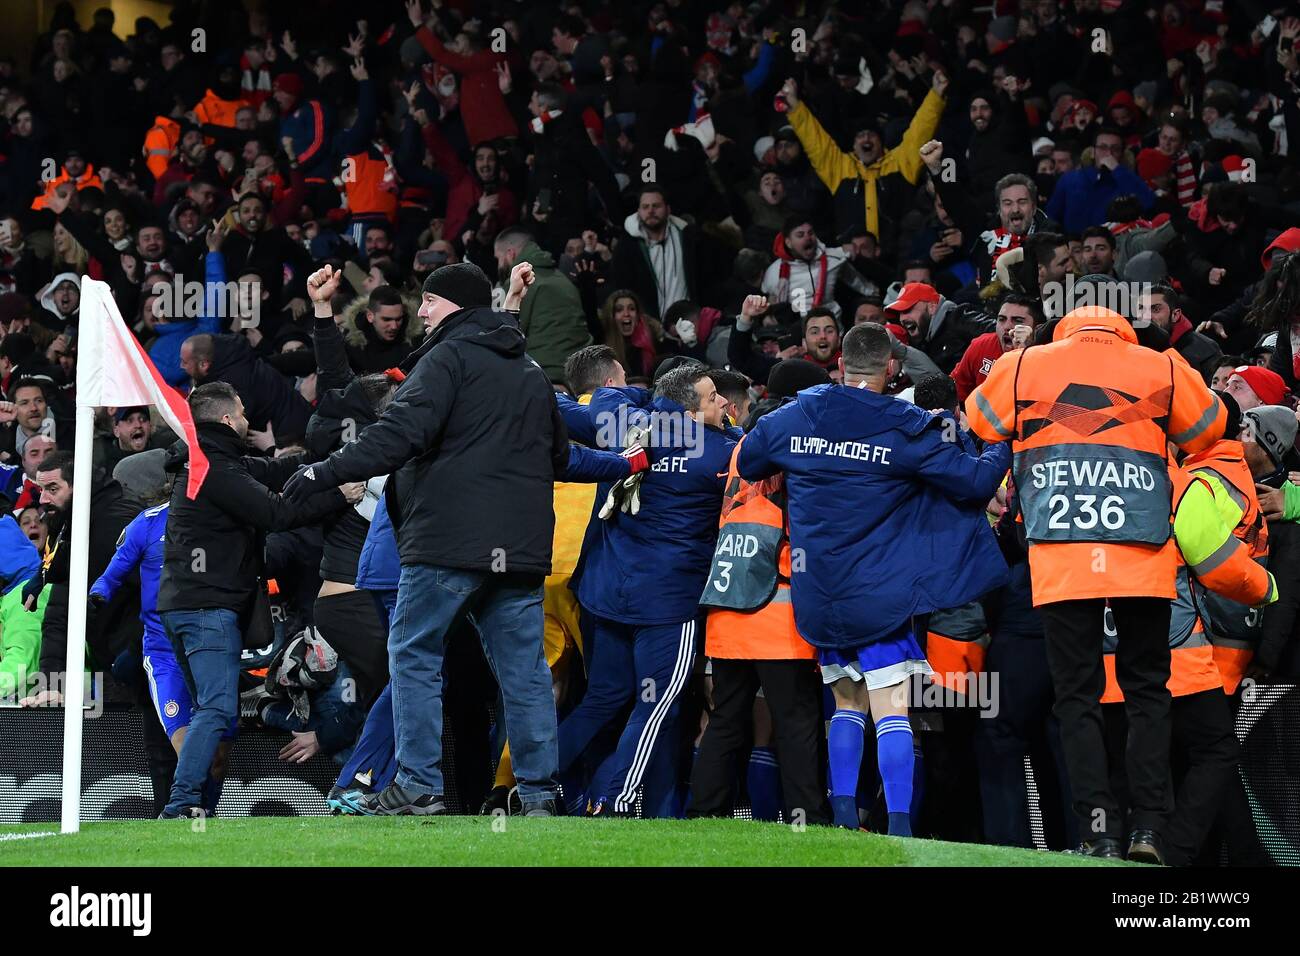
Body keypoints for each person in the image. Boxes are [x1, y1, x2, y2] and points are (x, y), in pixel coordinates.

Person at [282, 261, 640, 816]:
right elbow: (563, 458)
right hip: (520, 554)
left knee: (415, 655)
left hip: (447, 546)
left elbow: (396, 436)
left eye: (428, 301)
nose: (419, 312)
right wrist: (622, 462)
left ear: (453, 305)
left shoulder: (446, 359)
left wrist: (319, 473)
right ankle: (540, 795)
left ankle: (419, 786)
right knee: (524, 674)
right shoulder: (526, 372)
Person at [967, 304, 1227, 860]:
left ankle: (1099, 831)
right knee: (1147, 693)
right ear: (1123, 329)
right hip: (1143, 556)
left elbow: (980, 422)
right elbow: (1210, 430)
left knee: (1077, 697)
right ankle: (1149, 829)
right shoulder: (1162, 365)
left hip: (1063, 560)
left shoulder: (1022, 364)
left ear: (1065, 328)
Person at [738, 323, 1012, 834]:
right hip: (881, 591)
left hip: (818, 593)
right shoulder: (904, 424)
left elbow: (752, 460)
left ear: (841, 365)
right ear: (892, 370)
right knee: (892, 709)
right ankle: (901, 829)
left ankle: (843, 820)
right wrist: (1002, 443)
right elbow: (975, 484)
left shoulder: (800, 413)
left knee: (845, 702)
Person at [155, 382, 358, 818]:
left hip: (186, 604)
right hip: (206, 607)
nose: (248, 418)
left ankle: (197, 808)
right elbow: (277, 513)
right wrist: (337, 495)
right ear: (228, 420)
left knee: (211, 714)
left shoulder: (210, 460)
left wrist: (330, 459)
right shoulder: (213, 469)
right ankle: (180, 805)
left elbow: (274, 471)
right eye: (243, 411)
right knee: (215, 710)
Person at [559, 364, 738, 816]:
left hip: (607, 593)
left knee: (602, 697)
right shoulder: (723, 454)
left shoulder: (622, 429)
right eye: (713, 396)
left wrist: (651, 408)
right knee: (656, 704)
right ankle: (616, 800)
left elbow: (602, 399)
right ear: (691, 412)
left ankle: (535, 781)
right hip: (666, 602)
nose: (722, 403)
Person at [884, 281, 993, 375]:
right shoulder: (919, 339)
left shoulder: (959, 318)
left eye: (907, 310)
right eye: (900, 313)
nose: (902, 318)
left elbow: (998, 333)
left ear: (932, 307)